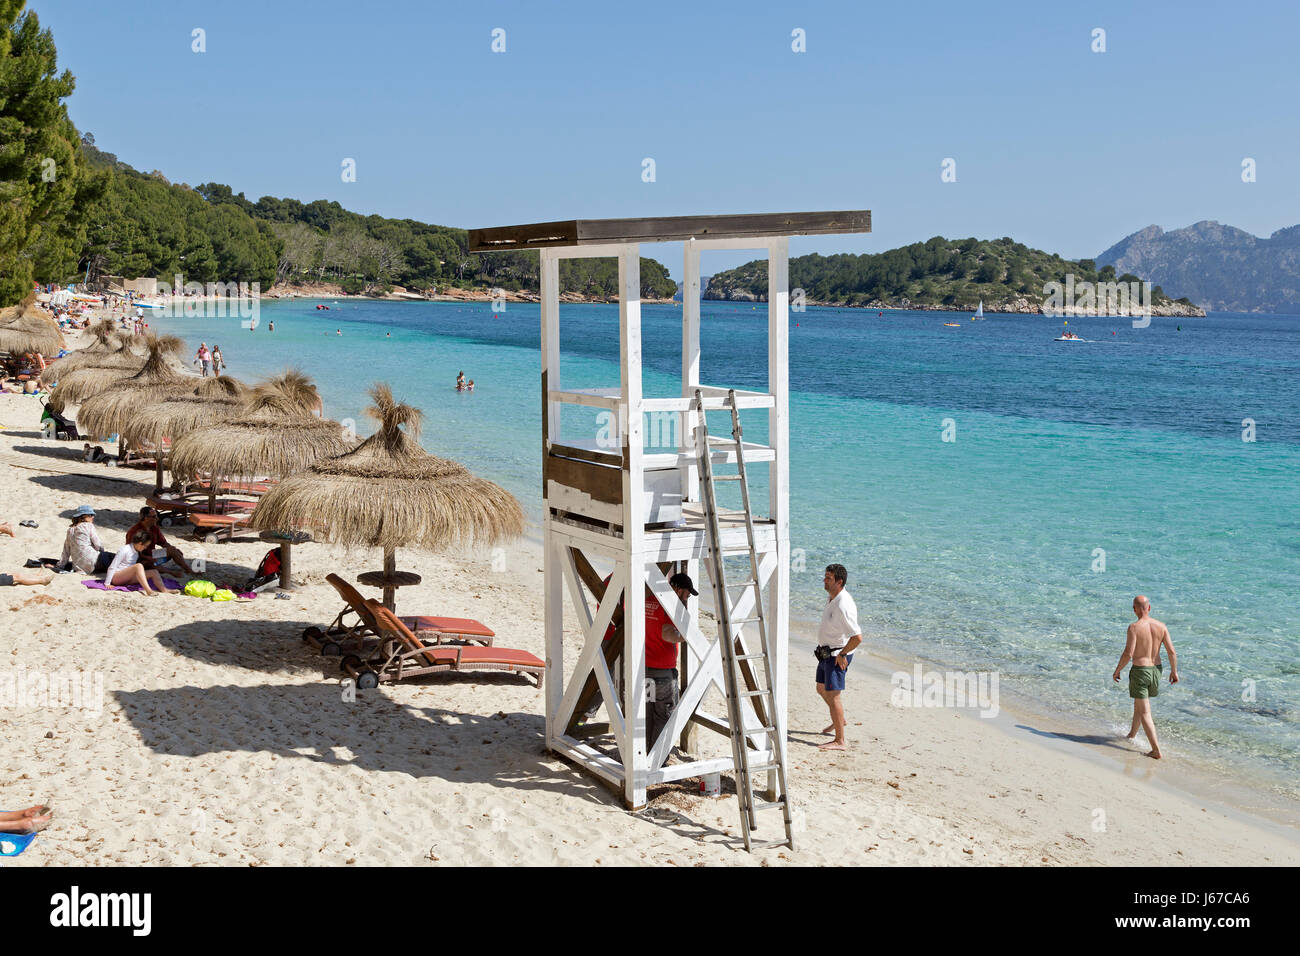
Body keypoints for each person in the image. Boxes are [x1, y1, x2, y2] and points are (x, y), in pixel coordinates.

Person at [592, 572, 695, 749]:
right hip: (663, 671)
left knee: (647, 714)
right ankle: (657, 758)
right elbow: (667, 633)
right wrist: (686, 636)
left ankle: (645, 751)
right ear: (678, 591)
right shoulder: (669, 605)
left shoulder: (645, 599)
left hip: (644, 668)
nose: (687, 599)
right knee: (664, 716)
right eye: (687, 594)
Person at [1113, 595, 1180, 759]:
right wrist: (1174, 671)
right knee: (1139, 704)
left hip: (1140, 671)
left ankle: (1155, 750)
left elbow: (1128, 653)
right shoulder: (1161, 626)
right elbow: (1171, 652)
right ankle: (1132, 735)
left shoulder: (1134, 627)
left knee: (1145, 712)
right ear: (1149, 608)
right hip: (1156, 670)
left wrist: (1117, 670)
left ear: (1134, 609)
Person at [816, 563, 862, 751]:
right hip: (825, 653)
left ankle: (840, 741)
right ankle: (839, 719)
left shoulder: (843, 605)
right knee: (821, 688)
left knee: (834, 696)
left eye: (828, 578)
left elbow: (857, 637)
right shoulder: (832, 597)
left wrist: (842, 654)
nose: (824, 580)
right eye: (825, 577)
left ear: (839, 581)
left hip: (836, 656)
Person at [104, 530, 178, 595]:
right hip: (116, 577)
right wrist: (107, 583)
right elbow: (113, 566)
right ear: (140, 543)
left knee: (154, 572)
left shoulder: (136, 551)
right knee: (138, 566)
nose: (145, 548)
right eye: (145, 546)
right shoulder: (124, 550)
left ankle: (164, 590)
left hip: (128, 577)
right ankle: (148, 591)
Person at [126, 506, 193, 573]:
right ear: (146, 518)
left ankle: (188, 569)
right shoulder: (134, 531)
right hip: (139, 559)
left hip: (152, 554)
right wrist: (149, 558)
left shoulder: (154, 528)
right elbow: (132, 552)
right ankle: (171, 572)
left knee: (172, 550)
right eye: (154, 517)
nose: (157, 519)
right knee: (148, 563)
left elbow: (163, 543)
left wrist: (175, 551)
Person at [59, 505, 113, 575]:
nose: (93, 517)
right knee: (116, 558)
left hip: (79, 567)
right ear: (83, 516)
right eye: (91, 515)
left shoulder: (70, 530)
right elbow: (98, 545)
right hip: (93, 560)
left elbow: (66, 551)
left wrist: (60, 566)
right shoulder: (88, 525)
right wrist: (102, 553)